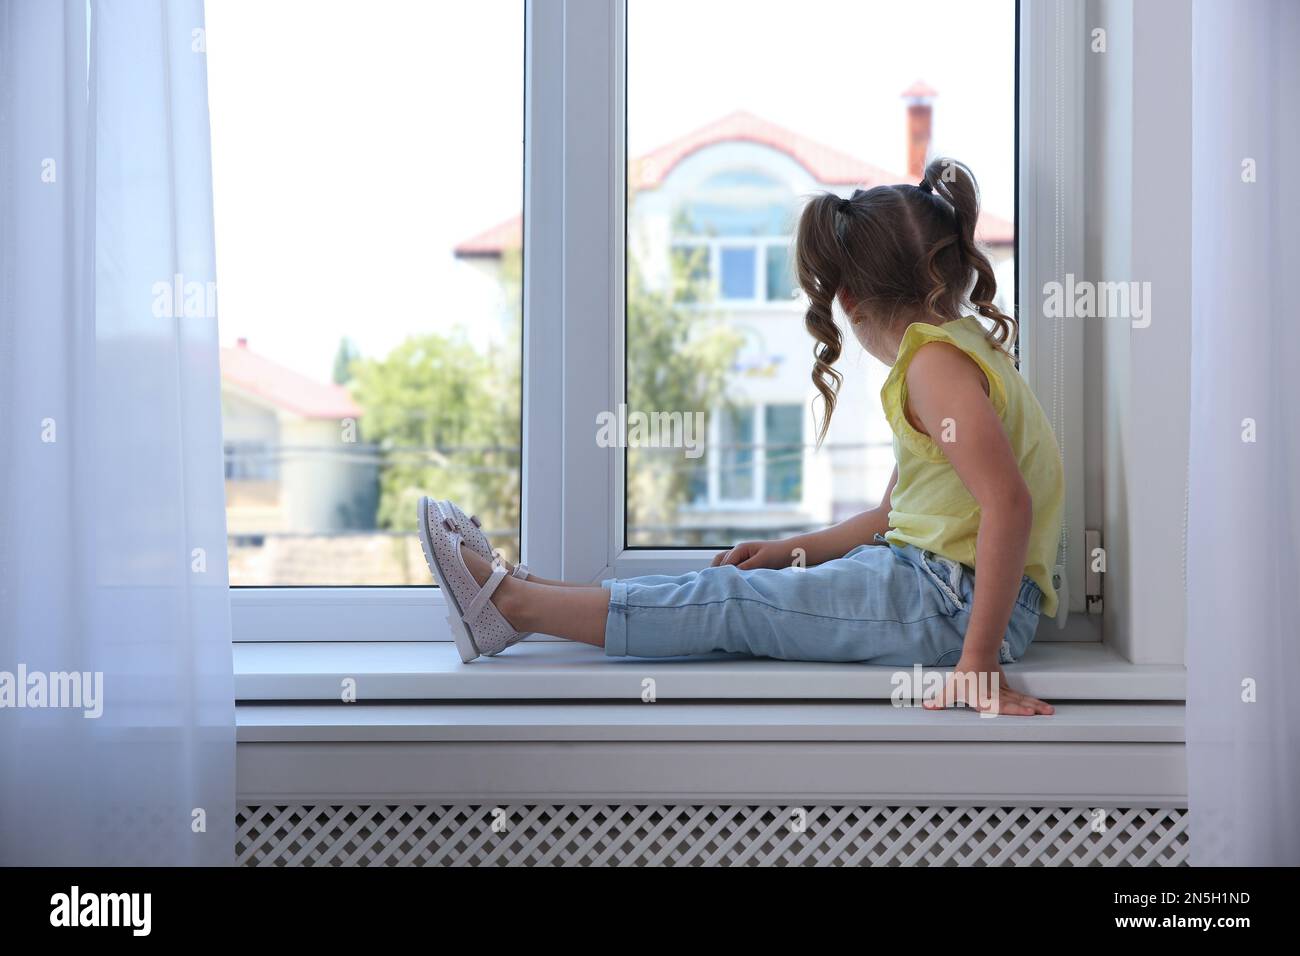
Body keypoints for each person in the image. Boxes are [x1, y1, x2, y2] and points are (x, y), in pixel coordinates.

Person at [418, 158, 1062, 717]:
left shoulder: (934, 366)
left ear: (849, 298)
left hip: (951, 603)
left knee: (731, 603)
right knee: (724, 587)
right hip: (937, 589)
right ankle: (523, 594)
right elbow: (894, 515)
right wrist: (793, 550)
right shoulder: (951, 353)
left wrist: (977, 660)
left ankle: (511, 605)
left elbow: (1008, 504)